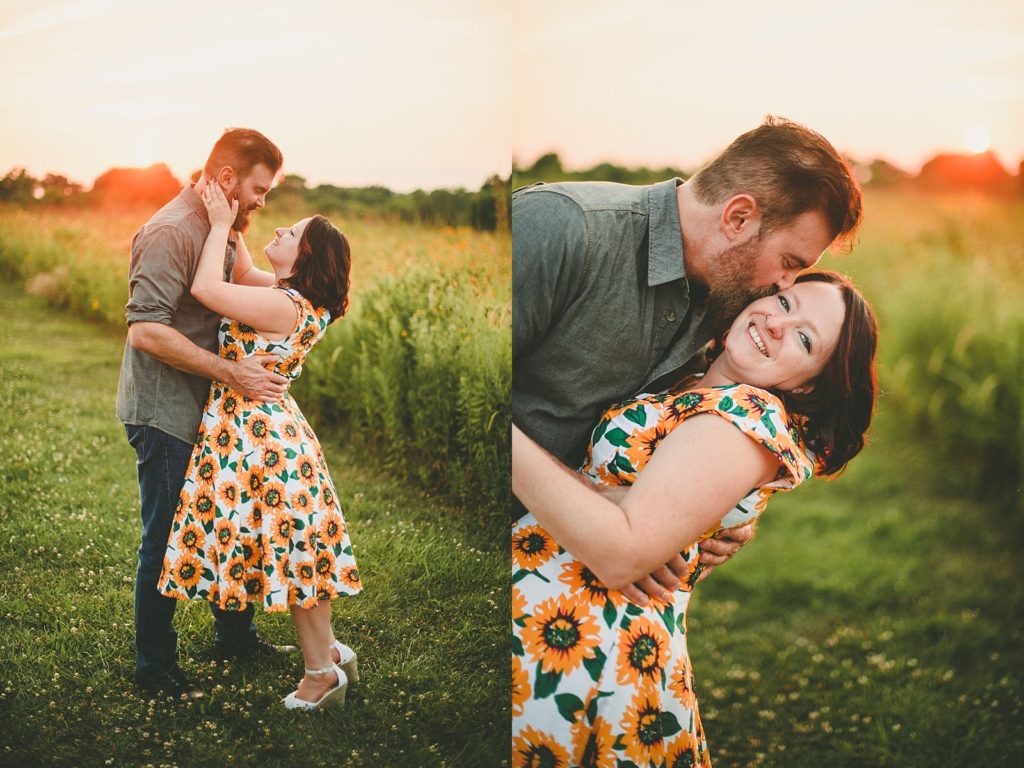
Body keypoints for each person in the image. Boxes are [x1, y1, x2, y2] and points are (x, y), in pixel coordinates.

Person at [511, 271, 879, 766]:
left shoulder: (749, 416)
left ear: (811, 385)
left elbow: (622, 552)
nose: (776, 324)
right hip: (552, 611)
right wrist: (598, 492)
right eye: (786, 303)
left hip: (586, 643)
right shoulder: (694, 379)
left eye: (804, 338)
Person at [512, 117, 863, 591]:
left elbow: (725, 425)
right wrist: (604, 509)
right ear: (738, 218)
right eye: (790, 263)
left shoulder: (740, 303)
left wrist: (721, 514)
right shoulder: (562, 229)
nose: (786, 286)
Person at [155, 181, 361, 709]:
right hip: (277, 432)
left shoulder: (284, 307)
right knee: (302, 551)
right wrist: (232, 213)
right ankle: (331, 654)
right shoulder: (292, 298)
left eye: (290, 232)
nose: (278, 227)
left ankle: (319, 674)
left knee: (293, 555)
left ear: (305, 256)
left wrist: (221, 226)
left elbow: (207, 289)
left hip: (258, 438)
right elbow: (243, 275)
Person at [117, 128, 297, 698]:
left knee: (231, 521)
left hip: (211, 411)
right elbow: (146, 330)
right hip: (165, 410)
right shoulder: (171, 231)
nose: (263, 203)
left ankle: (235, 638)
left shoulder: (224, 228)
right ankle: (154, 669)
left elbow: (243, 281)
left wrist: (312, 291)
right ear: (226, 180)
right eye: (259, 189)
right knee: (165, 538)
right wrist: (232, 372)